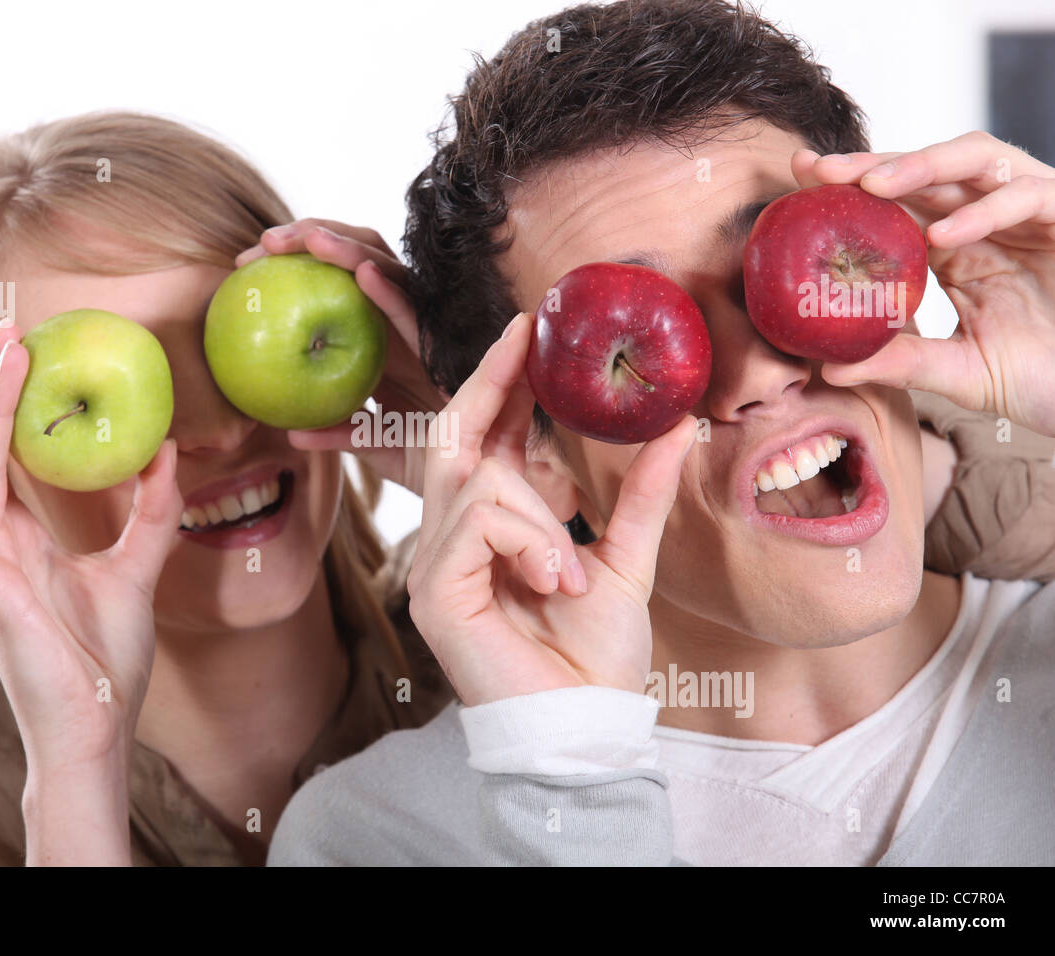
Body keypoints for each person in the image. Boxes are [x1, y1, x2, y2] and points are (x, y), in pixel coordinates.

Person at [268, 0, 1055, 865]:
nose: (756, 375)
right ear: (534, 449)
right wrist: (570, 772)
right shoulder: (381, 839)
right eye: (631, 344)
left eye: (783, 271)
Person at [0, 111, 451, 866]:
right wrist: (78, 769)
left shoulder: (518, 629)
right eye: (120, 395)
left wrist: (515, 467)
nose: (220, 432)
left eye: (231, 344)